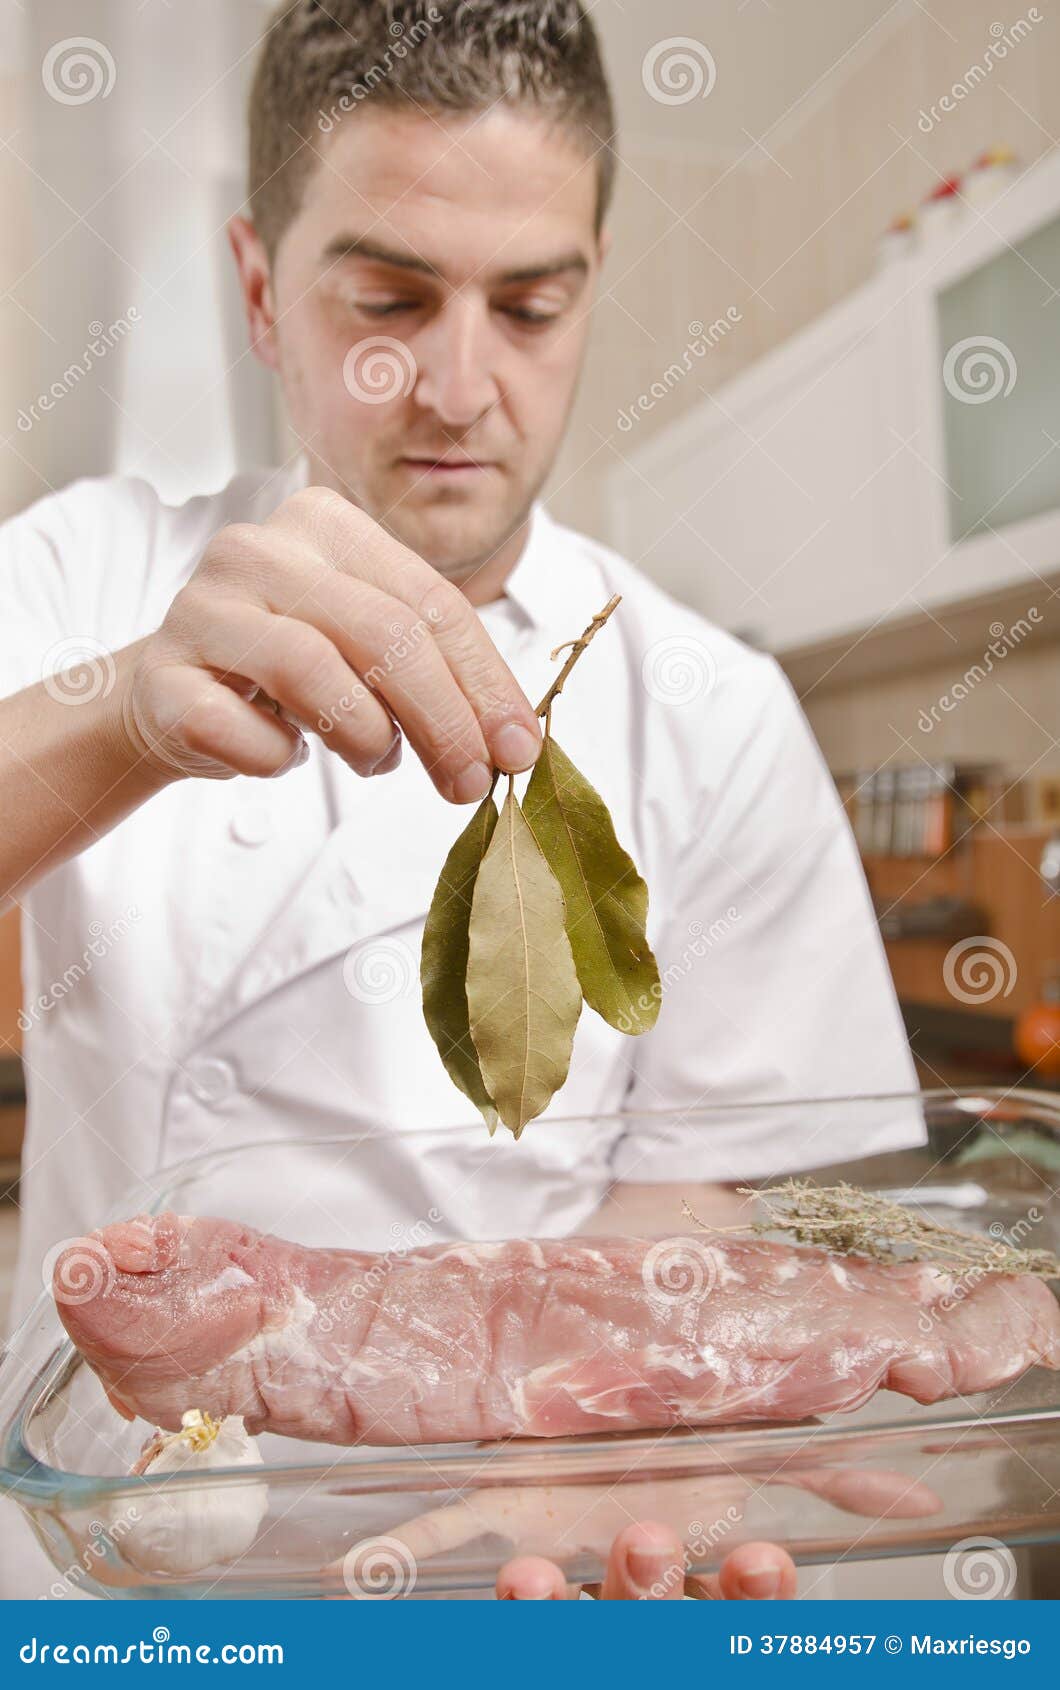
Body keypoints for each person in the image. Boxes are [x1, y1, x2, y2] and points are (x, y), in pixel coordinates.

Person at [0, 1, 918, 1598]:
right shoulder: (90, 568)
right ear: (263, 288)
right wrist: (128, 711)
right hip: (102, 1544)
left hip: (509, 1555)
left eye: (531, 305)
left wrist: (599, 1417)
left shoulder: (713, 705)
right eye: (389, 295)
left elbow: (721, 1169)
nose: (457, 385)